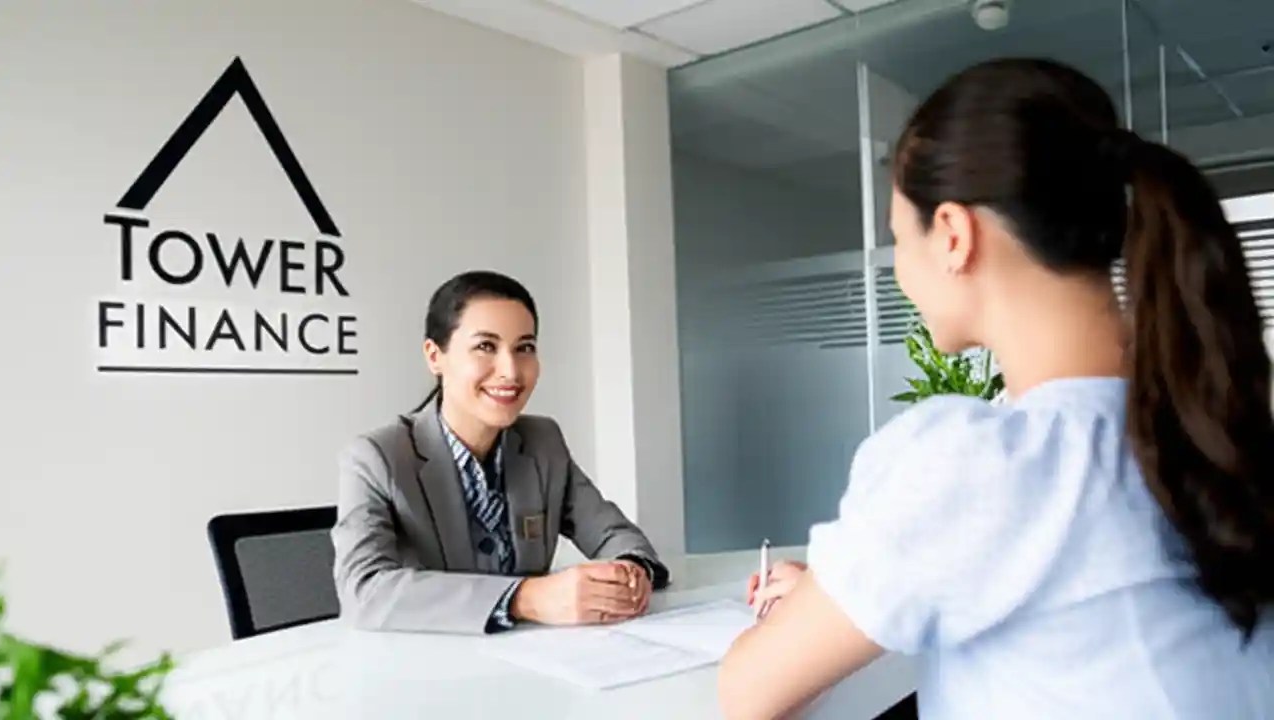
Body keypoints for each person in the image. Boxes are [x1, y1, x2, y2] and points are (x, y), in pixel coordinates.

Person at [719, 58, 1273, 719]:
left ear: (954, 234)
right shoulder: (1210, 427)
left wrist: (810, 609)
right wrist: (849, 586)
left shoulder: (977, 463)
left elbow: (746, 694)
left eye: (900, 239)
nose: (899, 272)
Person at [333, 270, 669, 635]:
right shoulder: (375, 457)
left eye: (524, 347)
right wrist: (526, 598)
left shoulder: (543, 441)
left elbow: (614, 535)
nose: (510, 371)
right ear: (435, 356)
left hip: (536, 663)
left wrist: (630, 572)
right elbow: (364, 591)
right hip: (422, 671)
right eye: (485, 347)